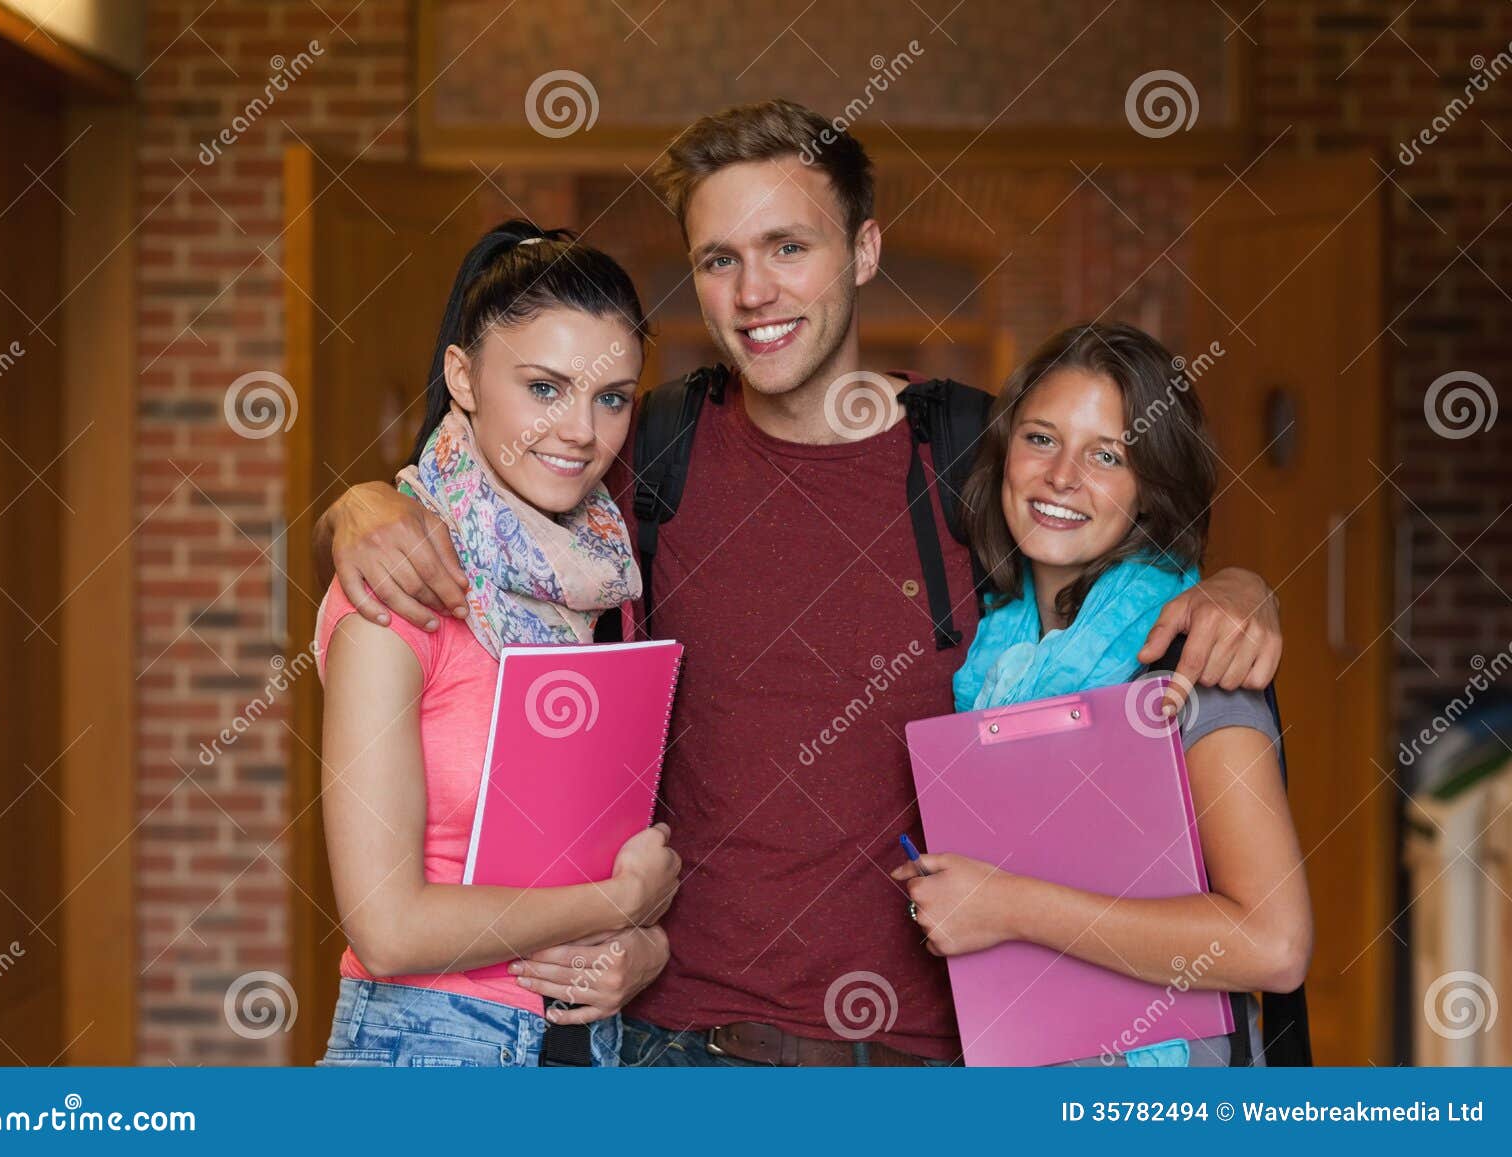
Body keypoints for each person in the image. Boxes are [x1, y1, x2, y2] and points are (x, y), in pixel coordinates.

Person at [313, 100, 1284, 1066]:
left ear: (863, 249)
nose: (753, 292)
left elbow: (1122, 540)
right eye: (718, 259)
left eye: (788, 247)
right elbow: (482, 493)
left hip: (933, 1059)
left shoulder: (975, 454)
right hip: (673, 1049)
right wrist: (358, 504)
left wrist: (1240, 585)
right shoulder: (641, 448)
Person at [893, 322, 1313, 1066]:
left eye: (1107, 455)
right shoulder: (990, 652)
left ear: (1151, 493)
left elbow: (1274, 943)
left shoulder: (1191, 660)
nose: (1062, 476)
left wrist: (1007, 906)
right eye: (1041, 439)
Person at [314, 219, 681, 1067]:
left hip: (585, 1048)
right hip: (426, 1047)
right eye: (545, 388)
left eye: (612, 396)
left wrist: (646, 945)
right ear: (463, 378)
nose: (582, 431)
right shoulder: (395, 589)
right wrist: (617, 899)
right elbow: (388, 926)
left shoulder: (603, 585)